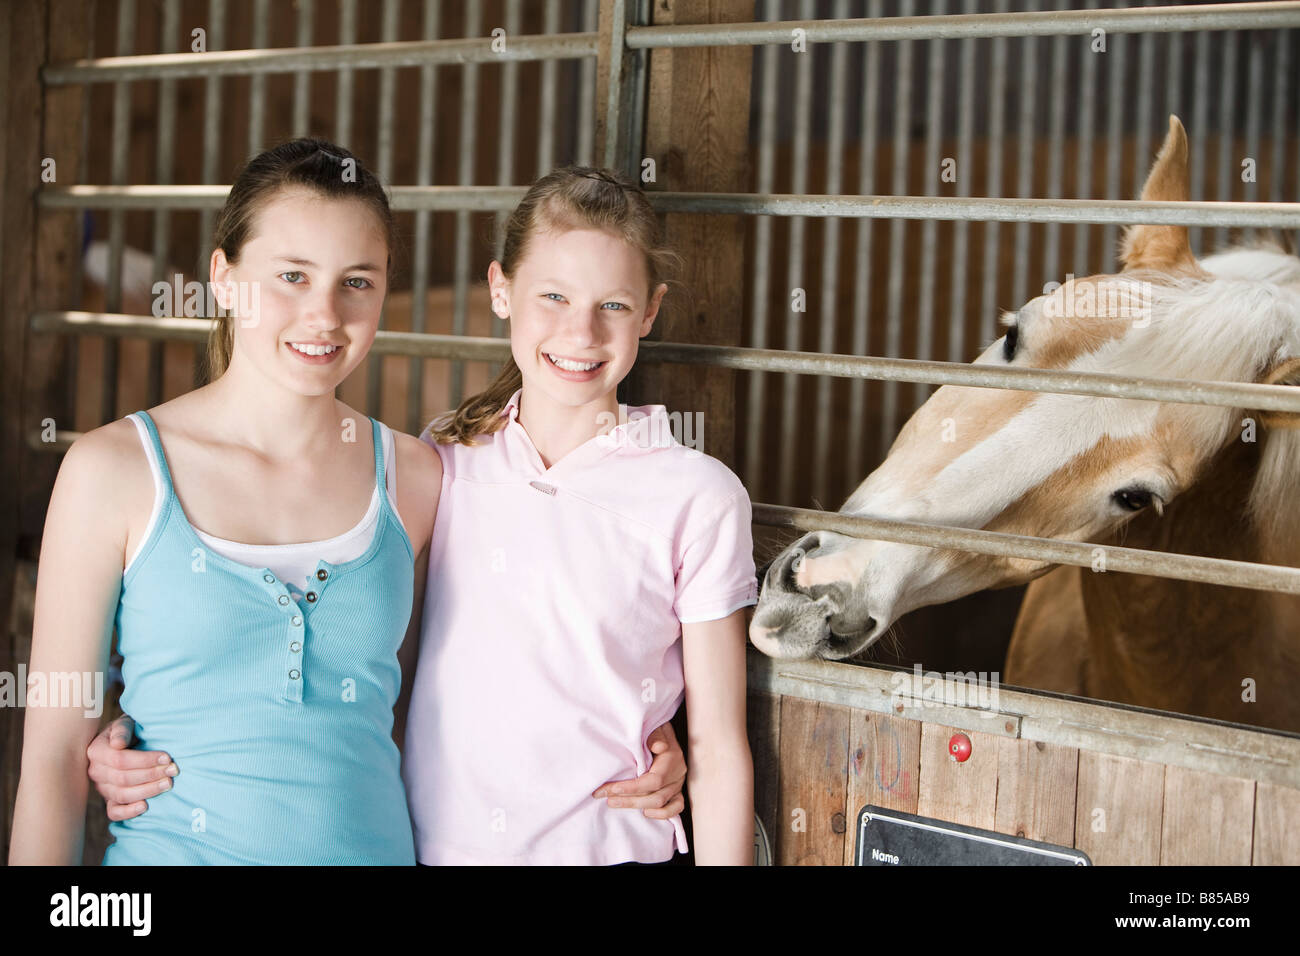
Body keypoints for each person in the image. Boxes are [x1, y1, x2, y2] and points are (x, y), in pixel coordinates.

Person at [11, 139, 684, 866]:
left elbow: (510, 659)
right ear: (224, 278)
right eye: (292, 276)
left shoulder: (423, 478)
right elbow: (51, 762)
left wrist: (644, 731)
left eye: (356, 283)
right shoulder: (113, 472)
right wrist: (111, 730)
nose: (324, 314)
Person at [403, 166, 757, 865]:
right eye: (554, 296)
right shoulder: (442, 457)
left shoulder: (698, 495)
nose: (581, 331)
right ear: (501, 290)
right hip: (435, 850)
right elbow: (396, 656)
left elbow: (719, 746)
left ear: (650, 311)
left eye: (614, 306)